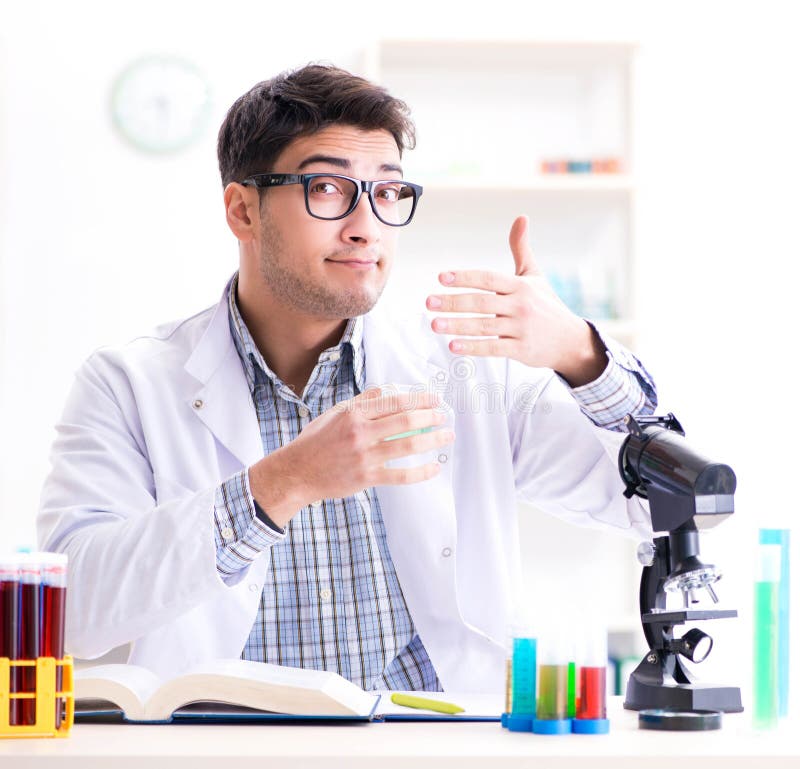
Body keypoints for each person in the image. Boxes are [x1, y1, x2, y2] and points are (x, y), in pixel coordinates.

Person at [38, 64, 656, 693]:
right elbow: (70, 613)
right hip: (222, 736)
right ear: (243, 211)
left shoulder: (466, 369)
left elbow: (662, 507)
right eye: (328, 188)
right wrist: (283, 482)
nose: (366, 226)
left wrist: (582, 354)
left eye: (386, 192)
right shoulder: (128, 385)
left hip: (430, 735)